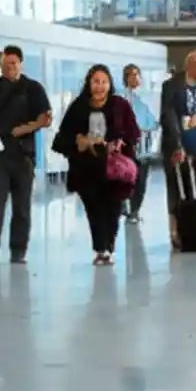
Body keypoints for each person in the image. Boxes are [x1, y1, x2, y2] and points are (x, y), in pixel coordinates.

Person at [51, 64, 141, 265]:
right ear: (89, 84)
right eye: (95, 82)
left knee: (113, 208)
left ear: (110, 84)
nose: (99, 86)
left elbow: (134, 132)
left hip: (115, 169)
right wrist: (79, 141)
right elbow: (60, 140)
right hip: (86, 169)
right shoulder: (79, 106)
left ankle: (108, 246)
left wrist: (119, 142)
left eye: (103, 82)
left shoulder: (120, 105)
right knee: (94, 209)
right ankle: (101, 248)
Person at [0, 45, 52, 264]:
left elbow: (45, 118)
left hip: (23, 154)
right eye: (6, 63)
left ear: (21, 63)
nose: (10, 67)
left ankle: (18, 250)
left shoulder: (33, 88)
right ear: (1, 64)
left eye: (14, 63)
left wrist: (24, 129)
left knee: (22, 204)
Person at [159, 51, 196, 250]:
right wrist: (177, 144)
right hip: (177, 142)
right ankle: (177, 233)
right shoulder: (171, 86)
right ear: (192, 66)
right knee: (178, 190)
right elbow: (167, 115)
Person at [121, 64, 159, 224]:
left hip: (145, 145)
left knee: (141, 179)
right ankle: (126, 207)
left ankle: (135, 210)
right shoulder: (121, 98)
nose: (134, 78)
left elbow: (154, 120)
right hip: (127, 145)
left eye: (137, 74)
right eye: (131, 75)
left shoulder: (147, 98)